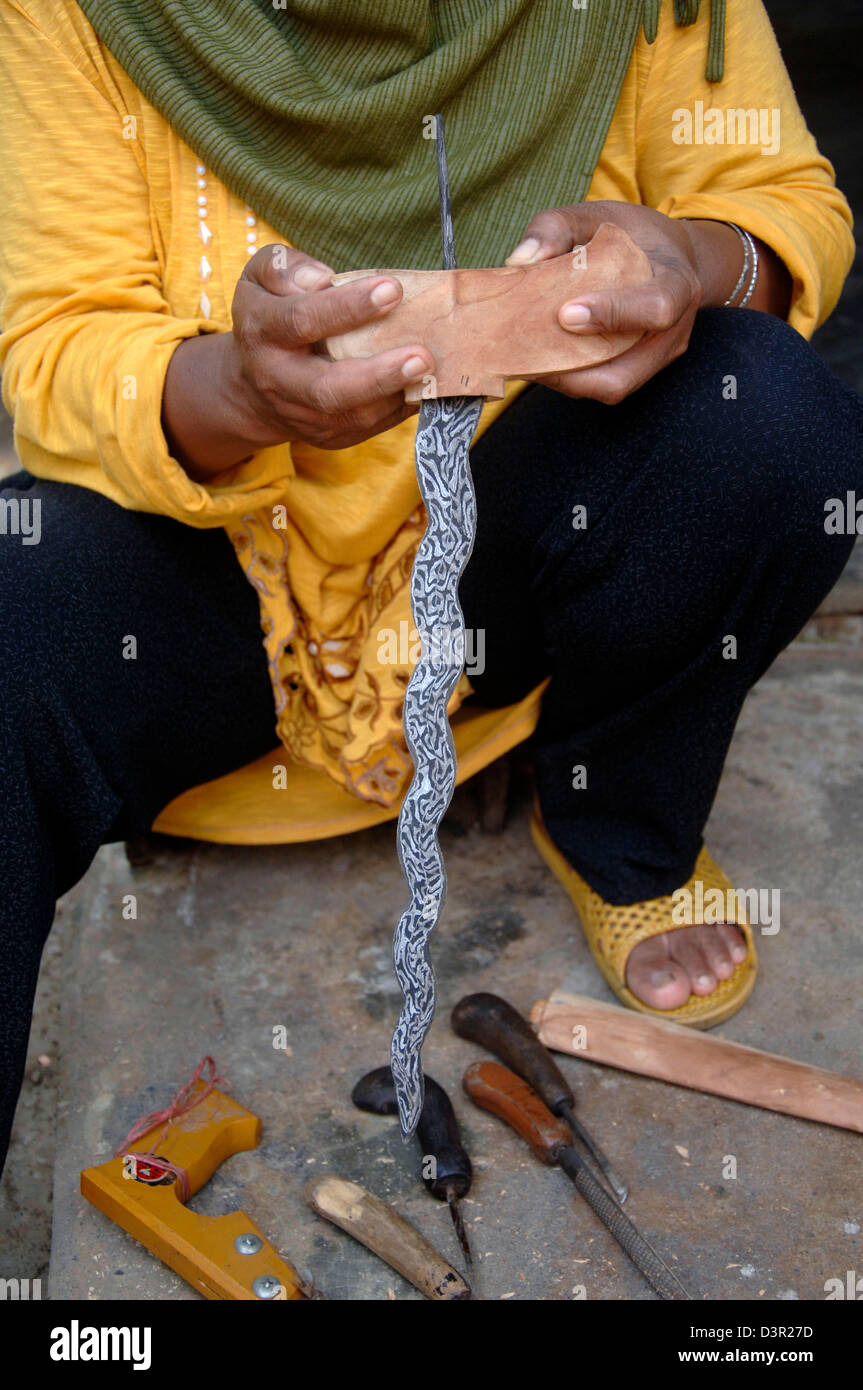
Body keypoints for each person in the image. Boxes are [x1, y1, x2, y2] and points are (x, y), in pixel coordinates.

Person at [1, 0, 861, 1175]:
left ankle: (614, 814)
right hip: (227, 585)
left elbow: (778, 202)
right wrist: (242, 395)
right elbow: (57, 342)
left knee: (759, 411)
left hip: (497, 581)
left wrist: (696, 261)